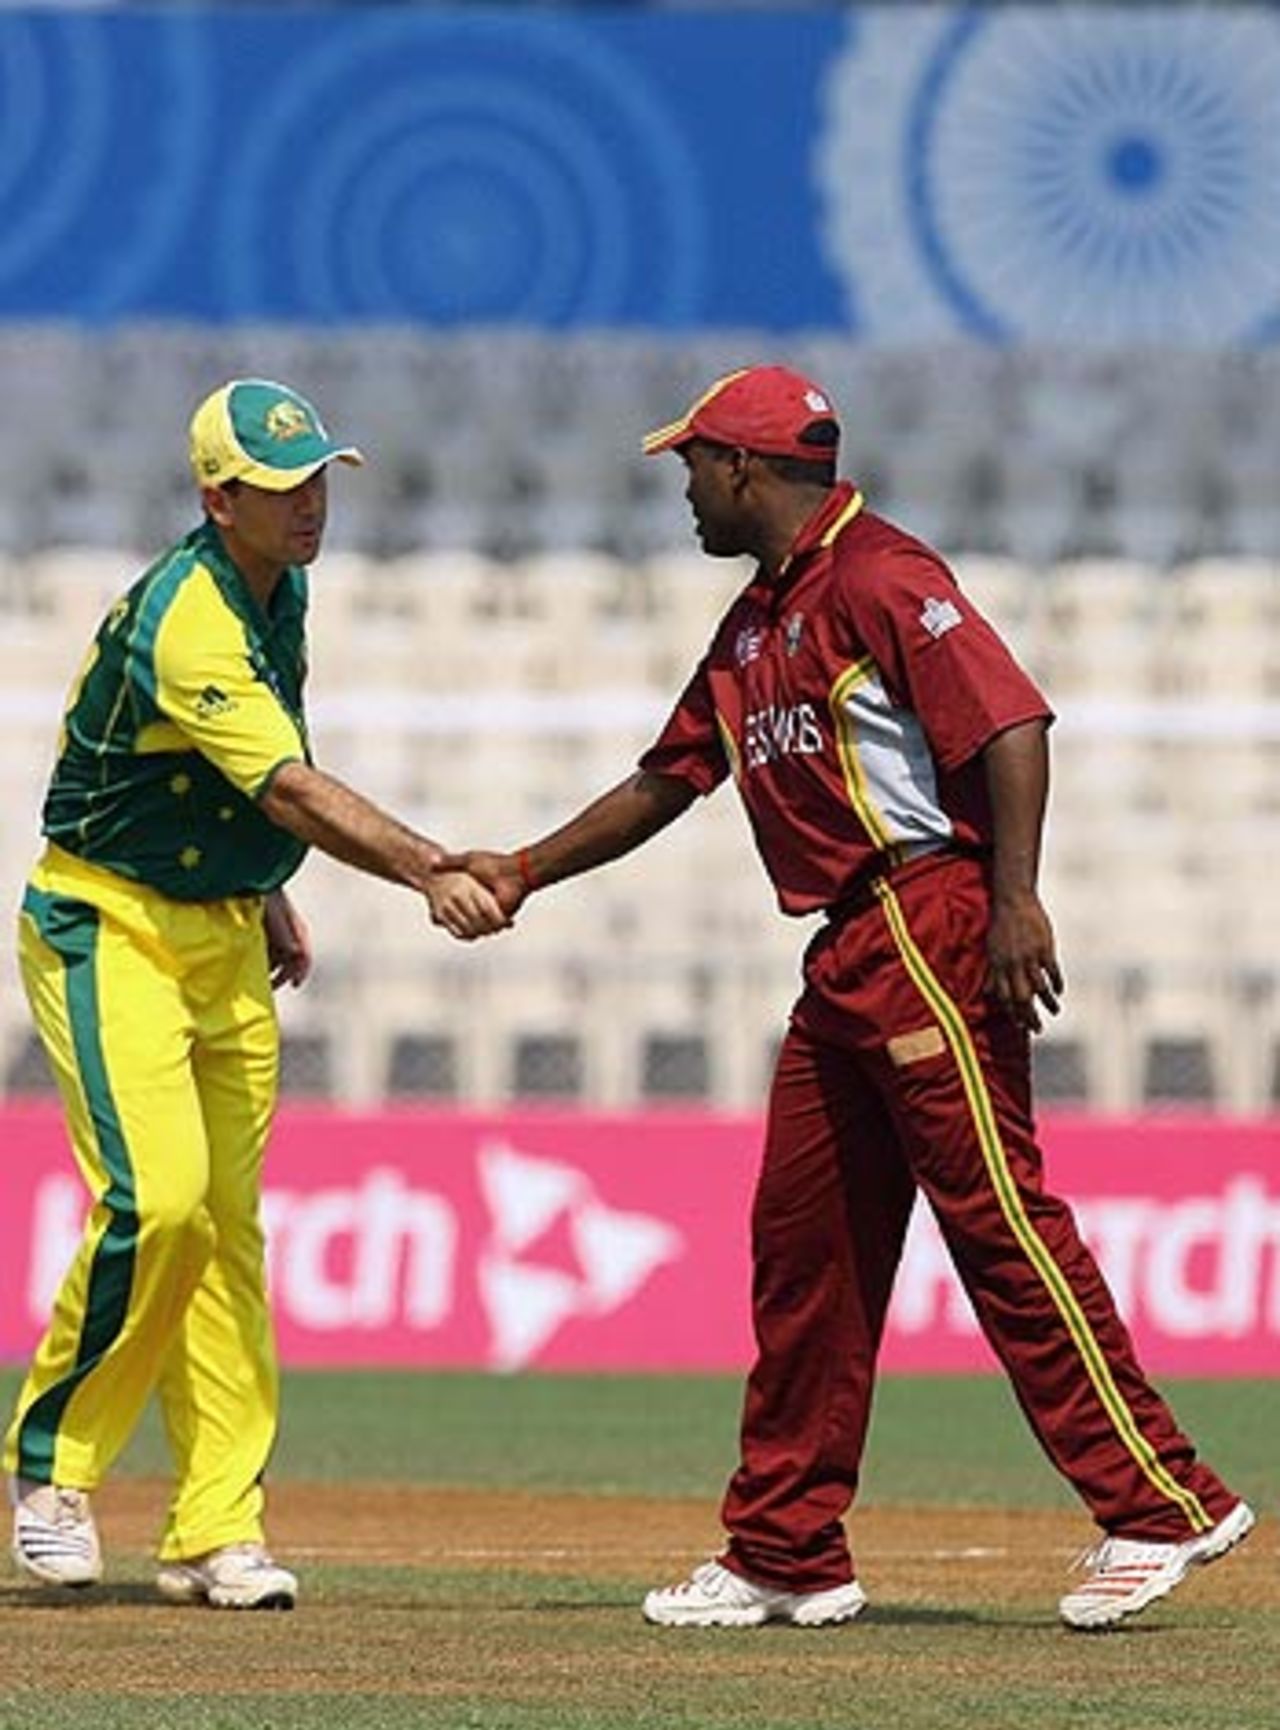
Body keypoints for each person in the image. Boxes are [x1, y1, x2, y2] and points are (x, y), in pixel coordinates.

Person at [442, 364, 1254, 1631]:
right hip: (844, 955)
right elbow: (669, 777)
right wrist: (527, 869)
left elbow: (1011, 726)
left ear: (748, 471)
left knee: (997, 1221)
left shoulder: (880, 572)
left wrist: (1014, 899)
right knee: (804, 1244)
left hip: (925, 915)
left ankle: (1158, 1500)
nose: (686, 491)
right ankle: (785, 1543)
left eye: (696, 467)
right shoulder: (755, 622)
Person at [5, 377, 505, 1609]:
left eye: (318, 478)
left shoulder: (282, 589)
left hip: (221, 932)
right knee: (160, 1202)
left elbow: (248, 771)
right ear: (216, 496)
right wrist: (427, 866)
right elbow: (283, 781)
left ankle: (213, 1527)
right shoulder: (188, 611)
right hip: (104, 924)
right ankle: (52, 1467)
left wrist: (262, 884)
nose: (309, 505)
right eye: (281, 488)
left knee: (229, 1239)